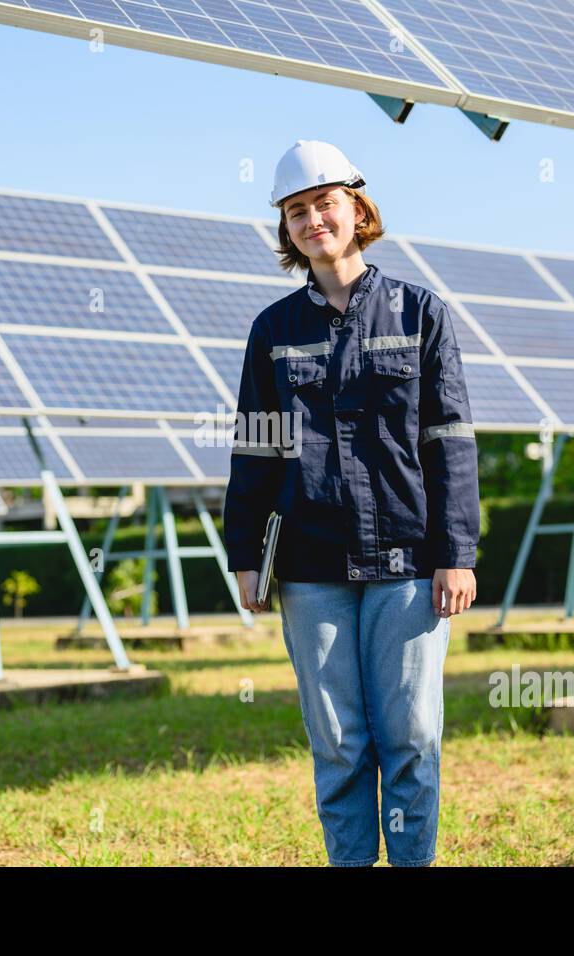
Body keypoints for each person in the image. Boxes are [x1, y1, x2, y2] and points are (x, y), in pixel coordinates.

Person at [222, 140, 481, 868]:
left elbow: (450, 440)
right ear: (287, 229)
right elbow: (256, 449)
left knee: (410, 737)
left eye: (325, 204)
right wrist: (244, 554)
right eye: (296, 211)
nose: (313, 221)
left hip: (409, 563)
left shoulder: (421, 312)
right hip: (310, 566)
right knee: (338, 743)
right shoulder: (273, 332)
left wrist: (456, 553)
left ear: (357, 209)